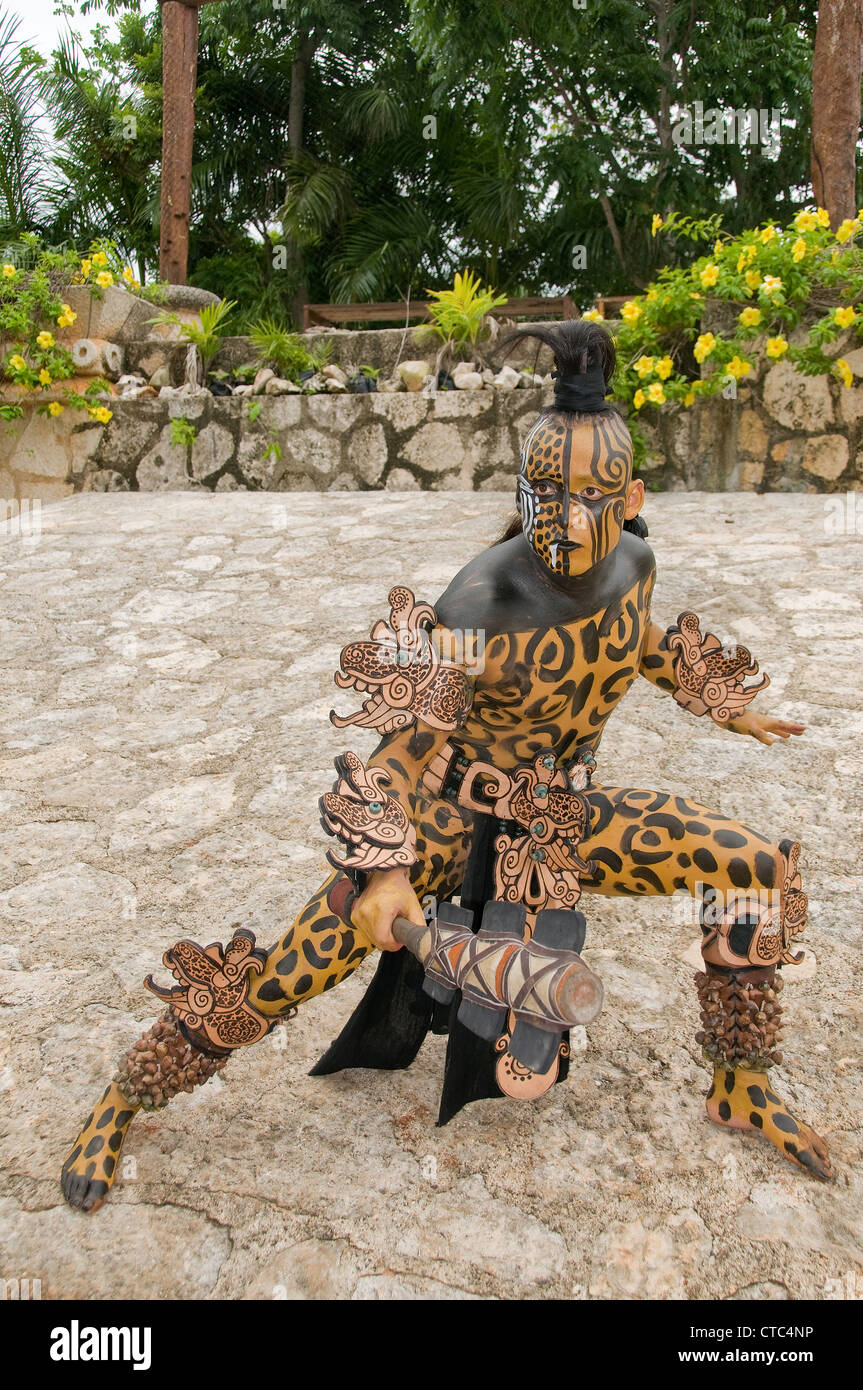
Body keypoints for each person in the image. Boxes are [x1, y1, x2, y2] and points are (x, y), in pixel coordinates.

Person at [61, 320, 830, 1214]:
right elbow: (393, 759)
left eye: (591, 494)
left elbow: (637, 641)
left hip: (563, 818)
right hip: (448, 821)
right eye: (544, 490)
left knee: (751, 869)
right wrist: (384, 872)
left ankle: (738, 1083)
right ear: (520, 487)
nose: (565, 517)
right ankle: (126, 1097)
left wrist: (716, 697)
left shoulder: (637, 565)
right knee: (296, 963)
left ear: (630, 496)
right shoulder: (476, 604)